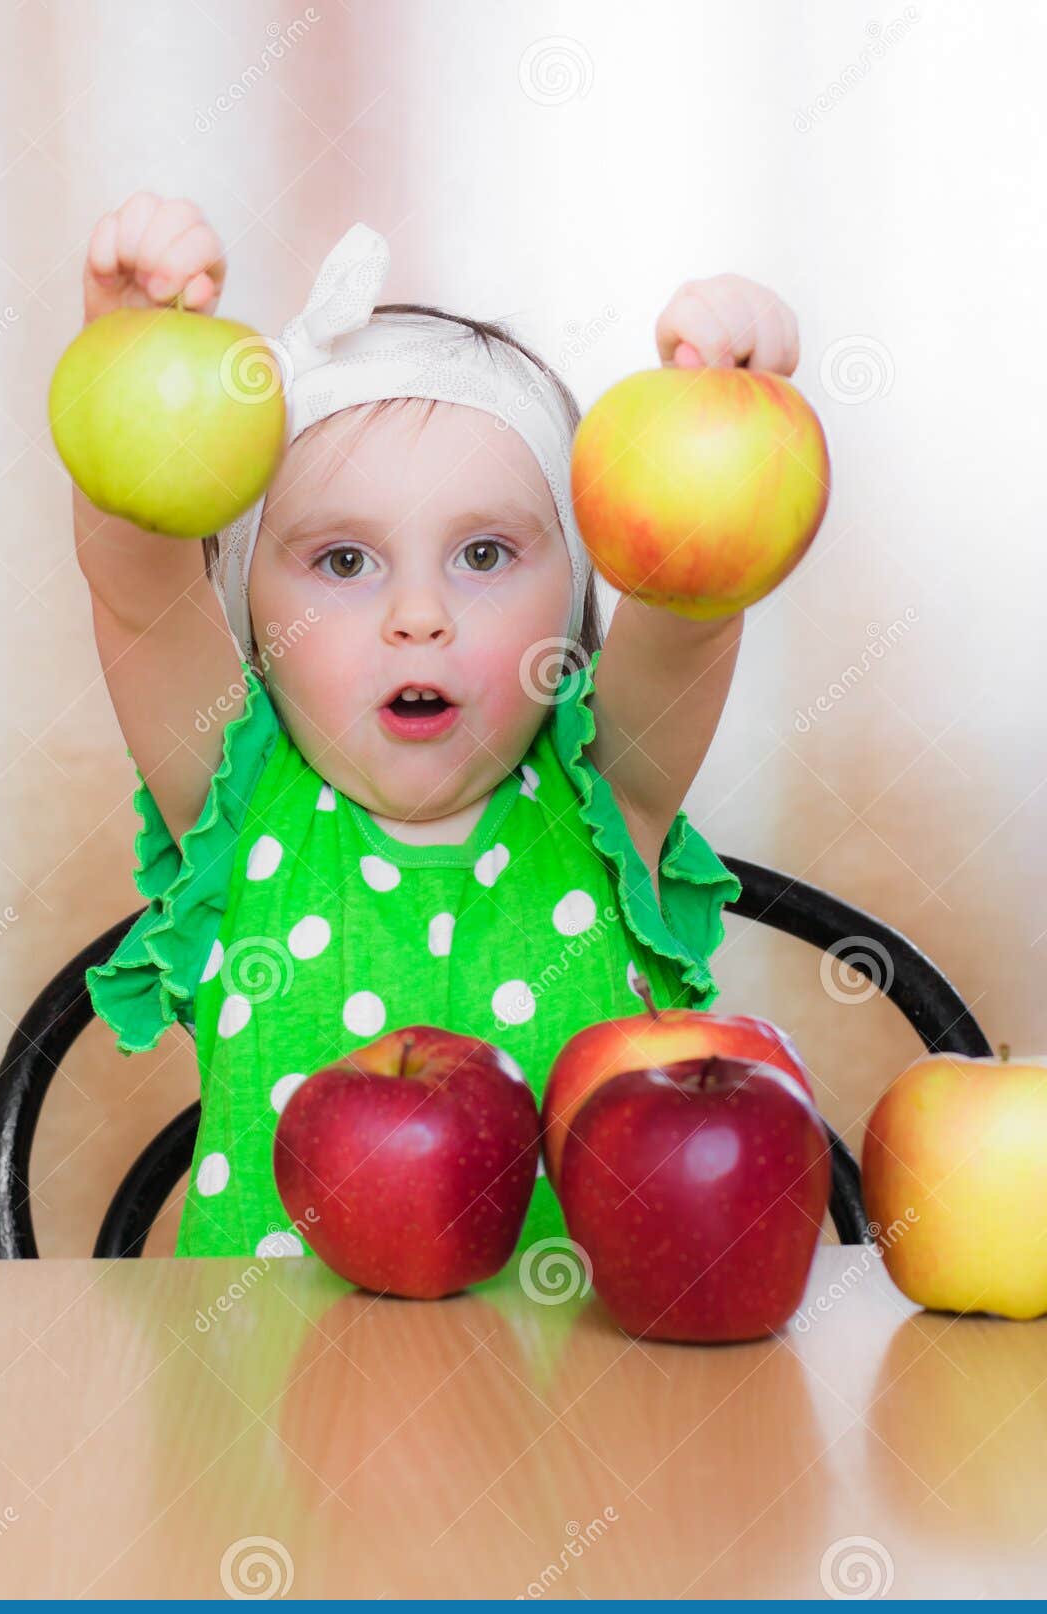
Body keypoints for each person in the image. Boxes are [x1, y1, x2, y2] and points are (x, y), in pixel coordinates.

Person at [75, 192, 800, 1261]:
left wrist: (724, 431)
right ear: (247, 613)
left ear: (575, 600)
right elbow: (137, 581)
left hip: (565, 1415)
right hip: (262, 1408)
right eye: (343, 563)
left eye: (484, 555)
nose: (420, 615)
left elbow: (694, 599)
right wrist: (131, 375)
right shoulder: (232, 806)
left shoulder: (609, 797)